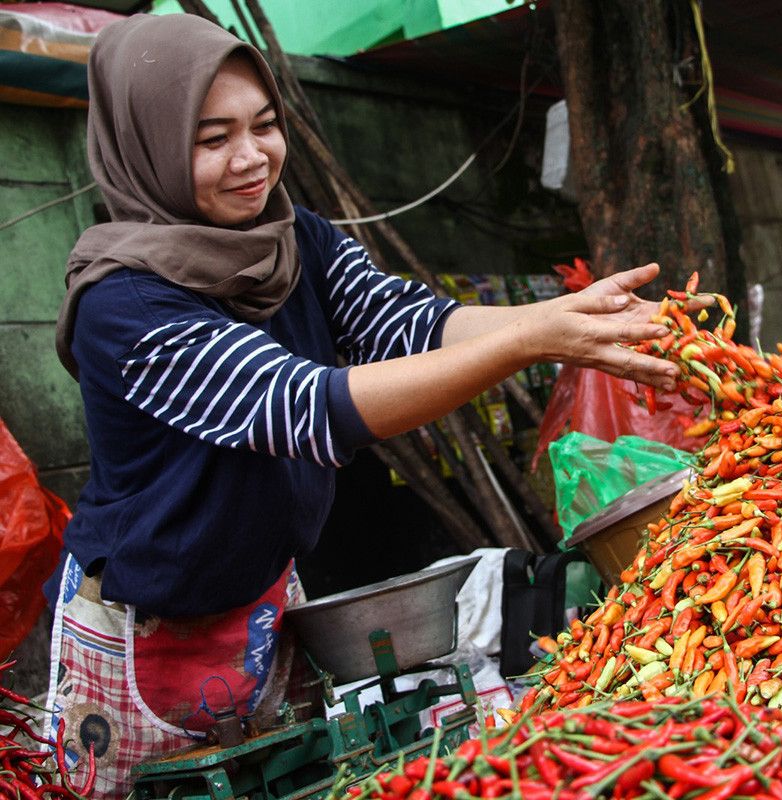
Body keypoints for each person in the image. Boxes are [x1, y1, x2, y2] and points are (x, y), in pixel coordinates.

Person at [45, 14, 683, 798]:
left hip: (266, 605)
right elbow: (302, 408)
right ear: (146, 143)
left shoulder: (292, 238)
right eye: (212, 139)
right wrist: (527, 342)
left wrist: (572, 318)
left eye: (266, 125)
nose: (252, 159)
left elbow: (407, 323)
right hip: (143, 631)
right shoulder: (123, 303)